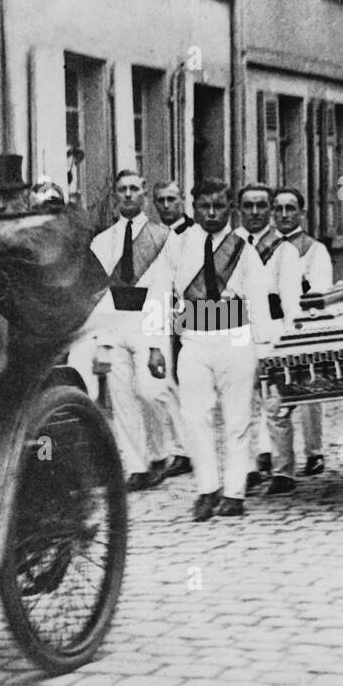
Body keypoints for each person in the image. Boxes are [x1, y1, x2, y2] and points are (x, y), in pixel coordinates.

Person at [147, 179, 273, 520]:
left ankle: (234, 493)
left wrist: (263, 352)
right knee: (193, 417)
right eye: (205, 206)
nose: (213, 213)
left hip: (235, 337)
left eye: (219, 205)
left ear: (230, 207)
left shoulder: (243, 248)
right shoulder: (177, 246)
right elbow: (159, 296)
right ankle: (207, 488)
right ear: (194, 207)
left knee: (237, 420)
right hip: (194, 339)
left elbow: (259, 303)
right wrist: (156, 346)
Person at [77, 168, 175, 491]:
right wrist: (103, 342)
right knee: (121, 398)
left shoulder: (164, 237)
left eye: (134, 188)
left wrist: (158, 340)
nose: (129, 194)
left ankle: (162, 452)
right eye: (122, 190)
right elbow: (98, 293)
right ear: (115, 195)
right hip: (116, 320)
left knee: (151, 390)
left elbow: (164, 289)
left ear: (145, 192)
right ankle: (137, 466)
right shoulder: (103, 242)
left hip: (149, 320)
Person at [265, 186, 335, 488]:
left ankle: (314, 451)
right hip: (269, 327)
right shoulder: (262, 248)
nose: (283, 215)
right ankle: (281, 469)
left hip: (302, 327)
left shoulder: (313, 249)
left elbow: (321, 293)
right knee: (274, 398)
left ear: (300, 212)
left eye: (290, 208)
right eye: (278, 209)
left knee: (310, 392)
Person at [234, 183, 302, 492]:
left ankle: (283, 470)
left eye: (262, 205)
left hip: (272, 331)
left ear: (270, 210)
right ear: (240, 209)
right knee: (240, 406)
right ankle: (247, 468)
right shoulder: (228, 246)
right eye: (248, 205)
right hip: (235, 329)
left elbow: (291, 301)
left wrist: (291, 340)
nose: (255, 212)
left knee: (276, 404)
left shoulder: (284, 249)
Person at [147, 177, 193, 477]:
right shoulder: (150, 236)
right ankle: (171, 449)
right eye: (161, 200)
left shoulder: (196, 233)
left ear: (182, 201)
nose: (166, 205)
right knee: (160, 384)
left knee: (186, 382)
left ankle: (187, 450)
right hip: (158, 314)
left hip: (190, 314)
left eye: (171, 200)